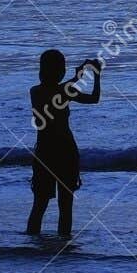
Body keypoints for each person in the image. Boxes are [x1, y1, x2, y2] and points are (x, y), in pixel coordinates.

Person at [26, 50, 101, 236]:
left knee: (44, 205)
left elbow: (93, 99)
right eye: (61, 67)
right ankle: (59, 245)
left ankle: (33, 245)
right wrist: (83, 76)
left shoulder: (38, 91)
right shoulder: (41, 91)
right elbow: (64, 93)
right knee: (58, 206)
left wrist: (86, 77)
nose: (63, 70)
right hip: (60, 153)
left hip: (49, 153)